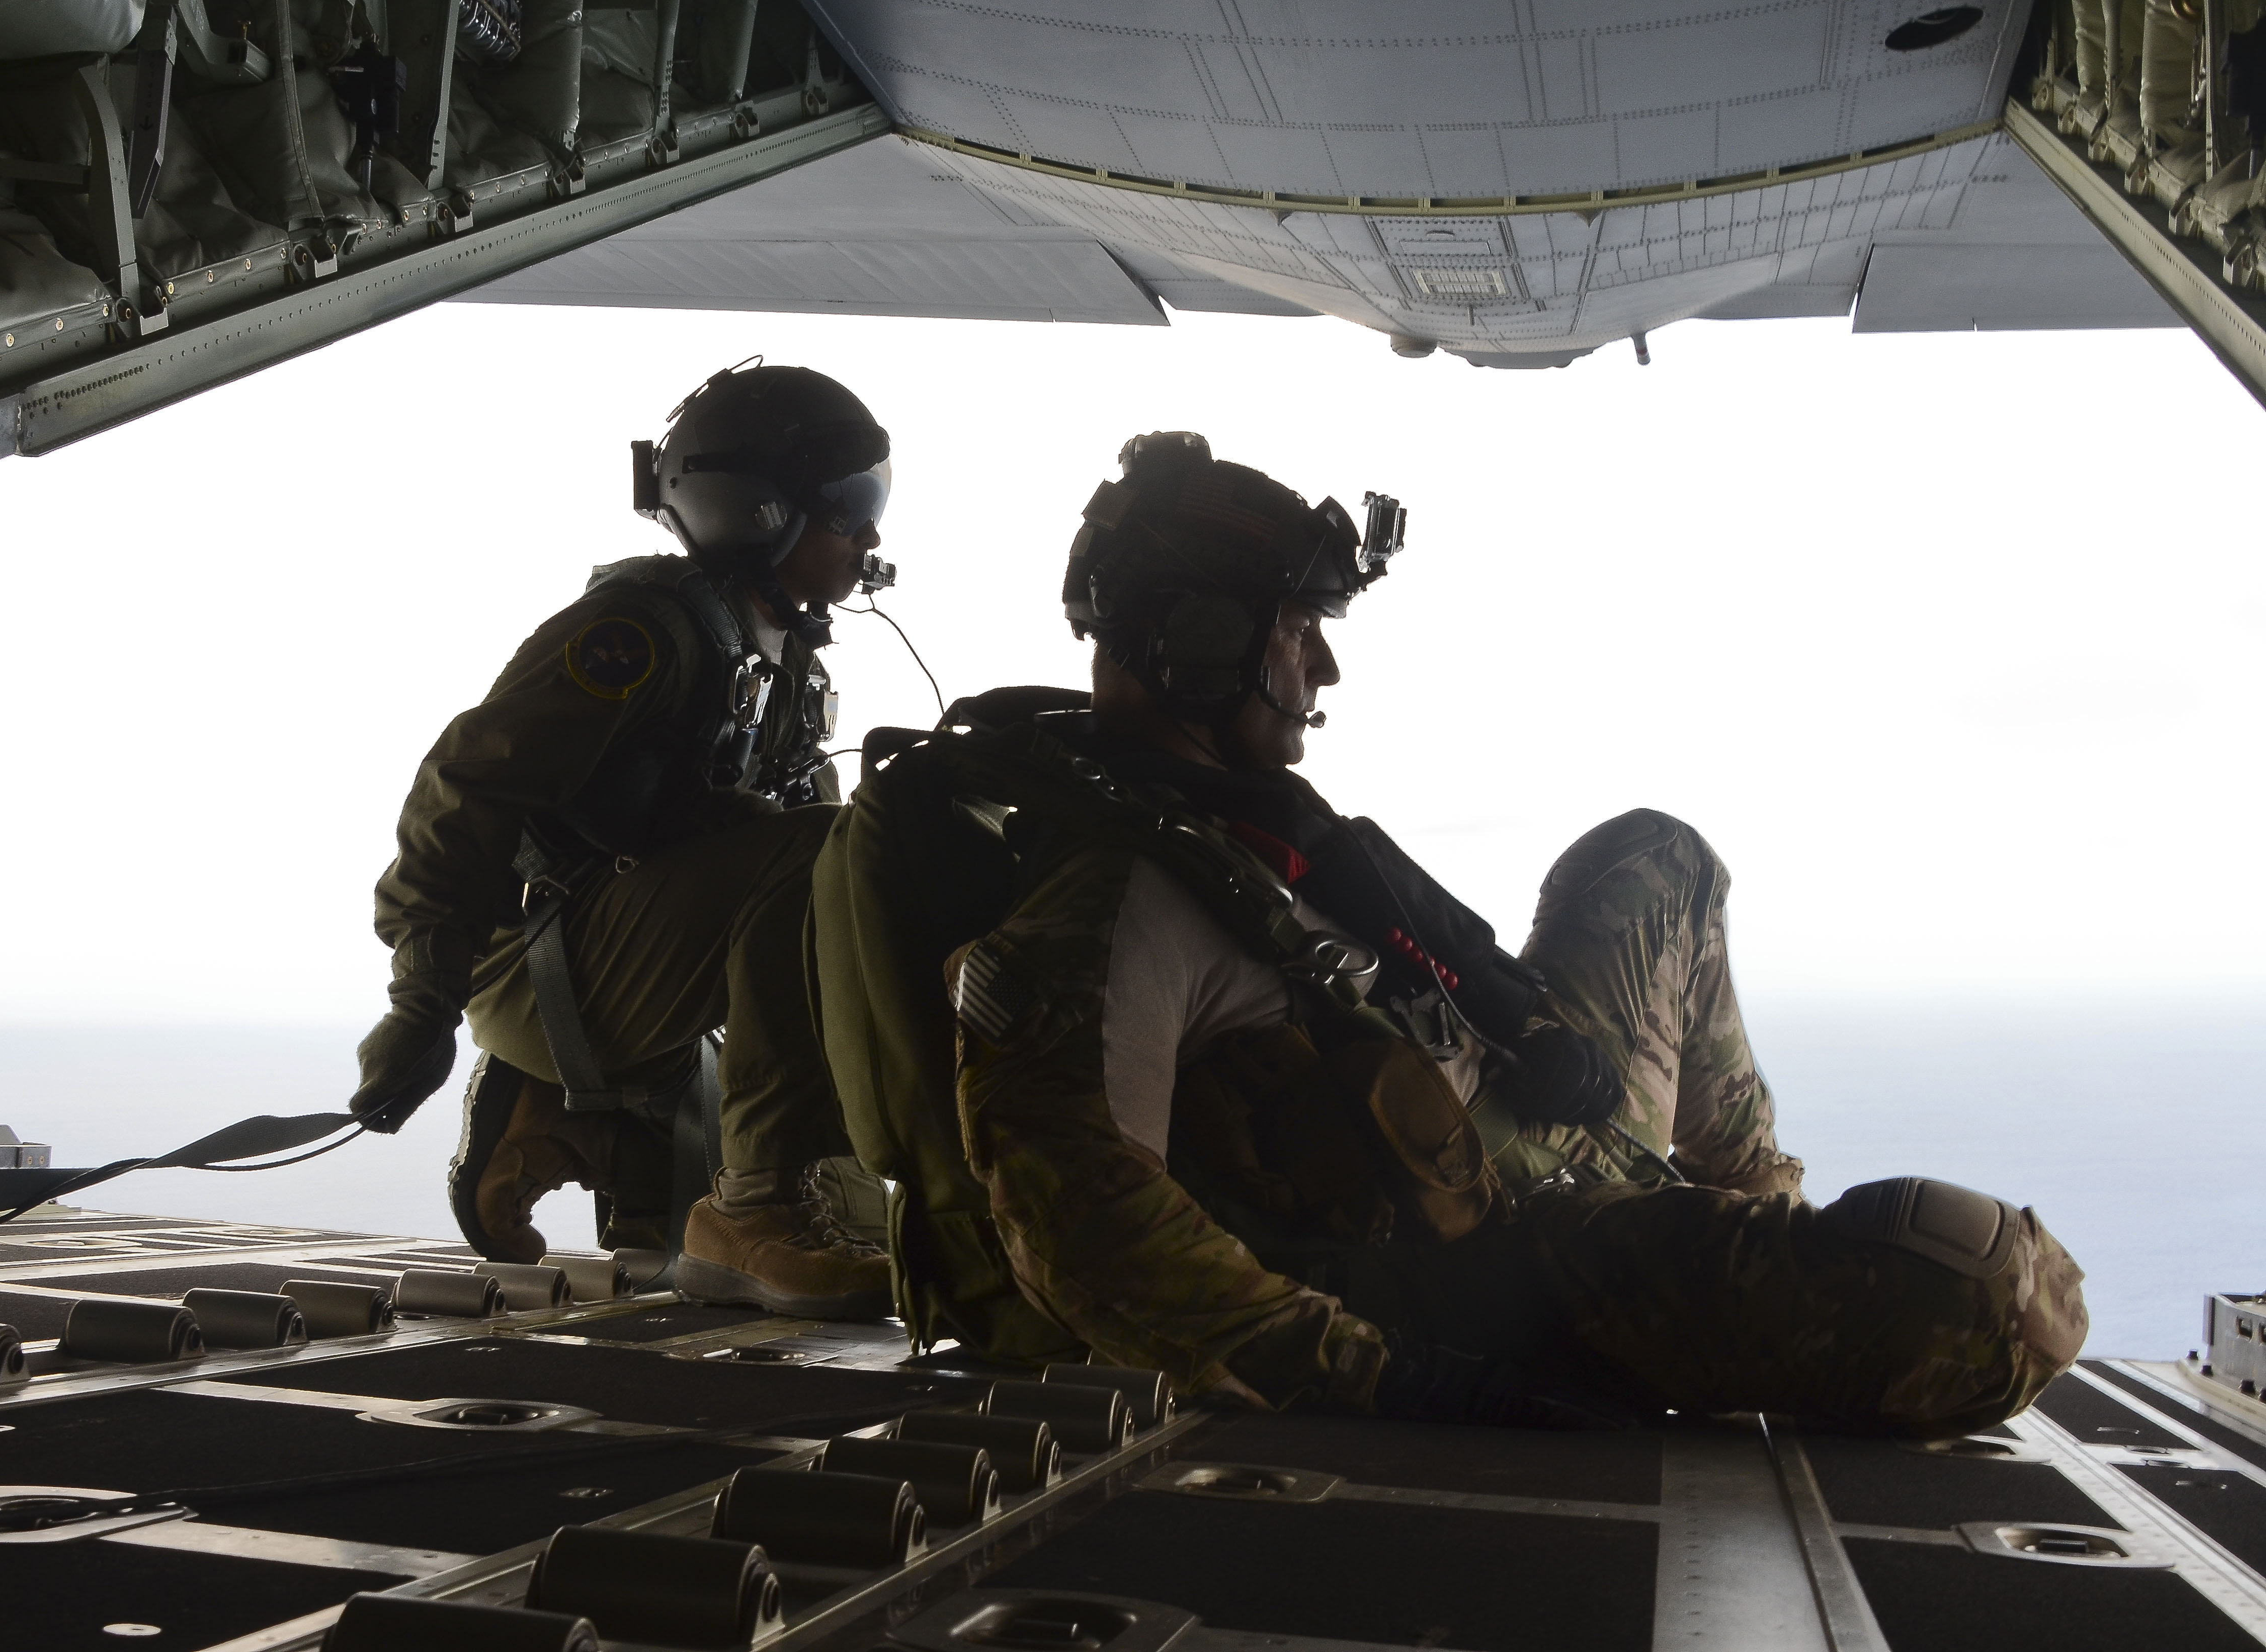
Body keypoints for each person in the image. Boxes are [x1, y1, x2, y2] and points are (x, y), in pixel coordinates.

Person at [819, 430, 2086, 1430]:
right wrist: (1400, 1381)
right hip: (1510, 1260)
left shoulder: (1229, 826)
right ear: (1201, 644)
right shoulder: (1109, 908)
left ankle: (1744, 1216)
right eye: (1297, 633)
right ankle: (1731, 1272)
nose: (1322, 672)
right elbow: (1087, 1235)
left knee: (1659, 858)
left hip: (1536, 1117)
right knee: (1989, 1296)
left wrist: (1534, 1042)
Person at [346, 361, 893, 1319]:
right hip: (542, 972)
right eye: (849, 506)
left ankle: (603, 1126)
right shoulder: (645, 635)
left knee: (871, 1233)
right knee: (830, 852)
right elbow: (468, 787)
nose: (872, 534)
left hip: (628, 969)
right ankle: (752, 1206)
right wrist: (422, 1000)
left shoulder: (784, 665)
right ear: (759, 512)